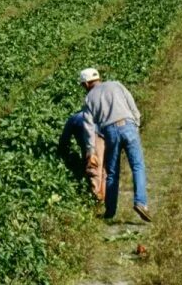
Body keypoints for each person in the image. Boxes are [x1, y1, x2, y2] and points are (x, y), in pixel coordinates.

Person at [79, 68, 151, 222]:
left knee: (112, 173)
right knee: (137, 166)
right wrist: (135, 122)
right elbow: (131, 102)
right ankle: (141, 203)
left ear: (86, 83)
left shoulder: (89, 99)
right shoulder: (116, 85)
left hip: (110, 132)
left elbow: (89, 128)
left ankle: (110, 211)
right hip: (128, 125)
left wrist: (91, 150)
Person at [58, 109, 106, 201]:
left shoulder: (74, 118)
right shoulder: (99, 116)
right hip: (101, 140)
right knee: (102, 169)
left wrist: (62, 155)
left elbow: (64, 140)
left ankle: (93, 196)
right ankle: (100, 198)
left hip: (86, 145)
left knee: (91, 169)